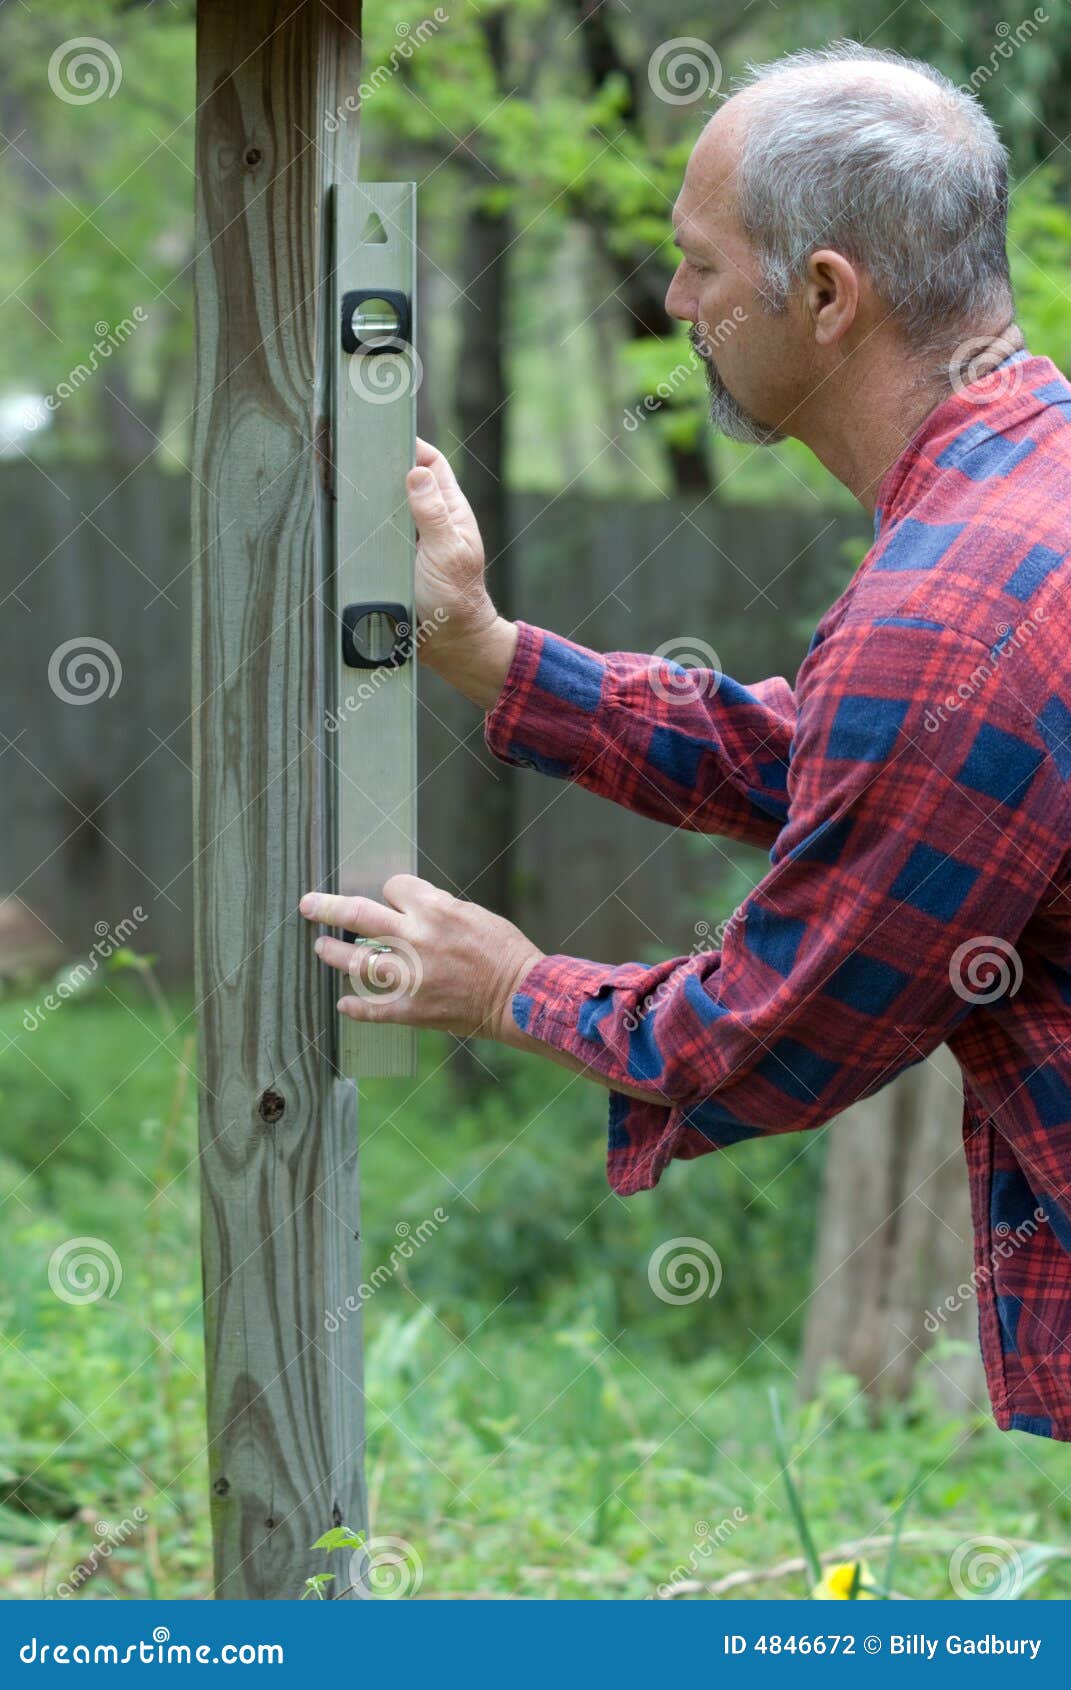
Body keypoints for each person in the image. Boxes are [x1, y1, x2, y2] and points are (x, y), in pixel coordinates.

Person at [301, 42, 1071, 1441]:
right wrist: (492, 650)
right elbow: (847, 767)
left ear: (826, 296)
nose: (674, 305)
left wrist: (512, 987)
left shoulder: (951, 612)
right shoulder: (1028, 481)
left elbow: (776, 1027)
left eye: (701, 267)